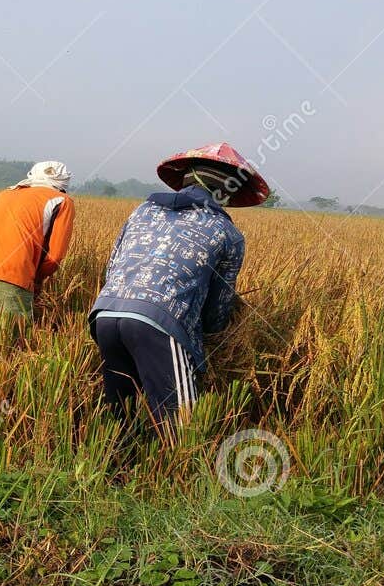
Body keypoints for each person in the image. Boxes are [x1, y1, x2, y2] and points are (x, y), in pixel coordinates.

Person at [88, 142, 269, 427]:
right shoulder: (226, 232)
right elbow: (217, 311)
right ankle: (176, 468)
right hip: (159, 322)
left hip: (105, 315)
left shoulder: (141, 212)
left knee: (121, 415)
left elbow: (112, 267)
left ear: (185, 179)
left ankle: (114, 468)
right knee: (184, 424)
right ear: (226, 191)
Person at [0, 161, 77, 341]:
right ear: (63, 184)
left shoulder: (4, 194)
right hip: (14, 276)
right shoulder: (62, 201)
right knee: (10, 345)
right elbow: (55, 256)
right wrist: (37, 279)